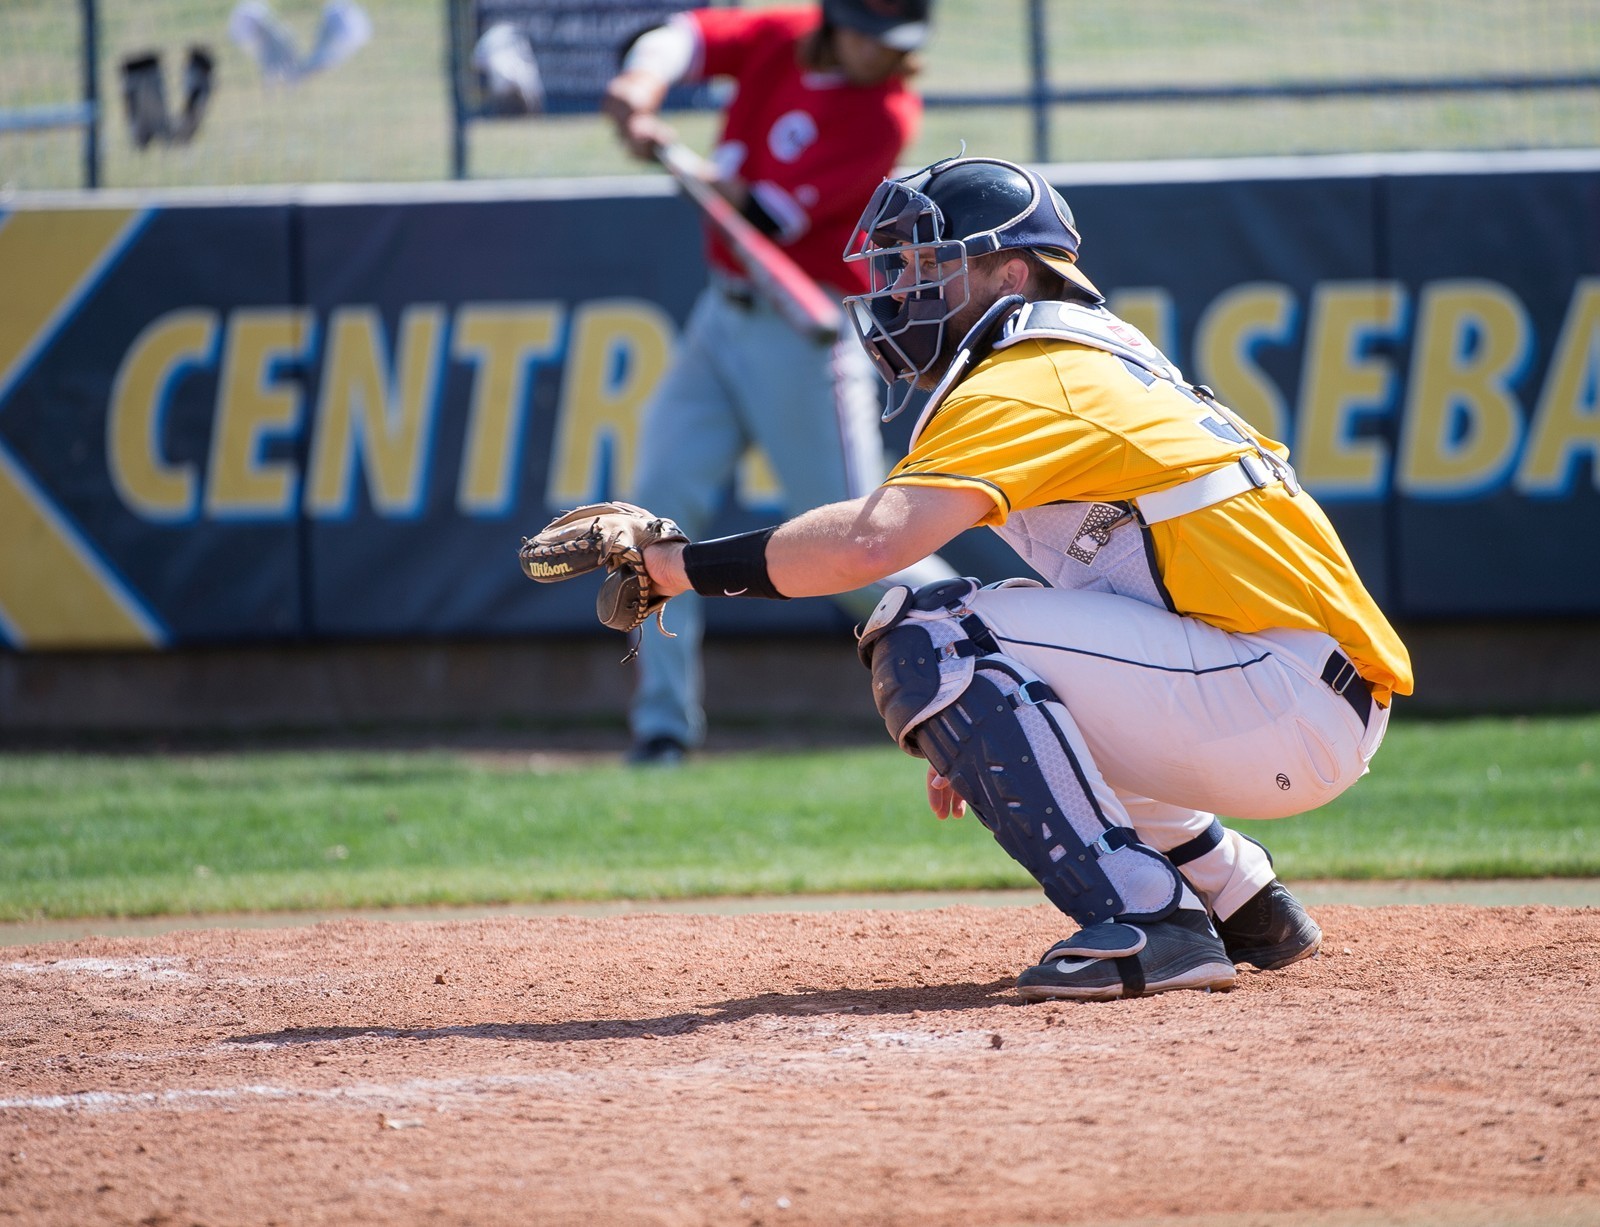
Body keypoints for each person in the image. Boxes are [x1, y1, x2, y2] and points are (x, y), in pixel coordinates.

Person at [628, 155, 1414, 1001]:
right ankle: (1240, 897)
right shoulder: (1075, 355)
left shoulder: (1031, 372)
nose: (901, 288)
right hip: (1288, 685)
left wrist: (675, 567)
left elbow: (868, 546)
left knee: (928, 632)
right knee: (980, 635)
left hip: (1280, 692)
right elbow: (1130, 587)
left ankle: (1152, 921)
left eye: (930, 264)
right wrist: (992, 718)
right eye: (898, 265)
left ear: (1010, 273)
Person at [600, 0, 954, 766]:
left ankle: (998, 659)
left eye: (892, 41)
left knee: (863, 550)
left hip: (802, 335)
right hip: (720, 316)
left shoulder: (884, 112)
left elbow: (758, 216)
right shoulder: (783, 36)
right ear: (836, 19)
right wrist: (639, 86)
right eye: (865, 34)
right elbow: (682, 37)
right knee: (652, 518)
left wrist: (682, 160)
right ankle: (662, 730)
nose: (876, 54)